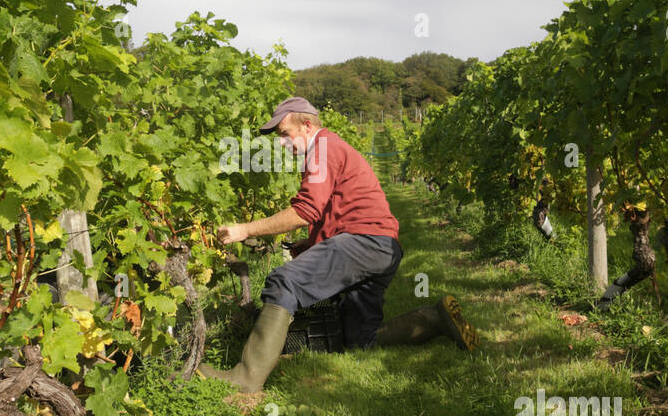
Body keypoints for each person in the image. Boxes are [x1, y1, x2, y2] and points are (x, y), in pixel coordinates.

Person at [197, 97, 478, 393]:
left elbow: (306, 210)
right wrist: (310, 244)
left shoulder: (321, 149)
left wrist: (245, 229)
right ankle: (435, 319)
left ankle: (246, 379)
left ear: (307, 126)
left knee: (285, 282)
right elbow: (340, 211)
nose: (281, 143)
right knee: (360, 339)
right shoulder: (331, 147)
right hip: (383, 248)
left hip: (364, 243)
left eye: (283, 133)